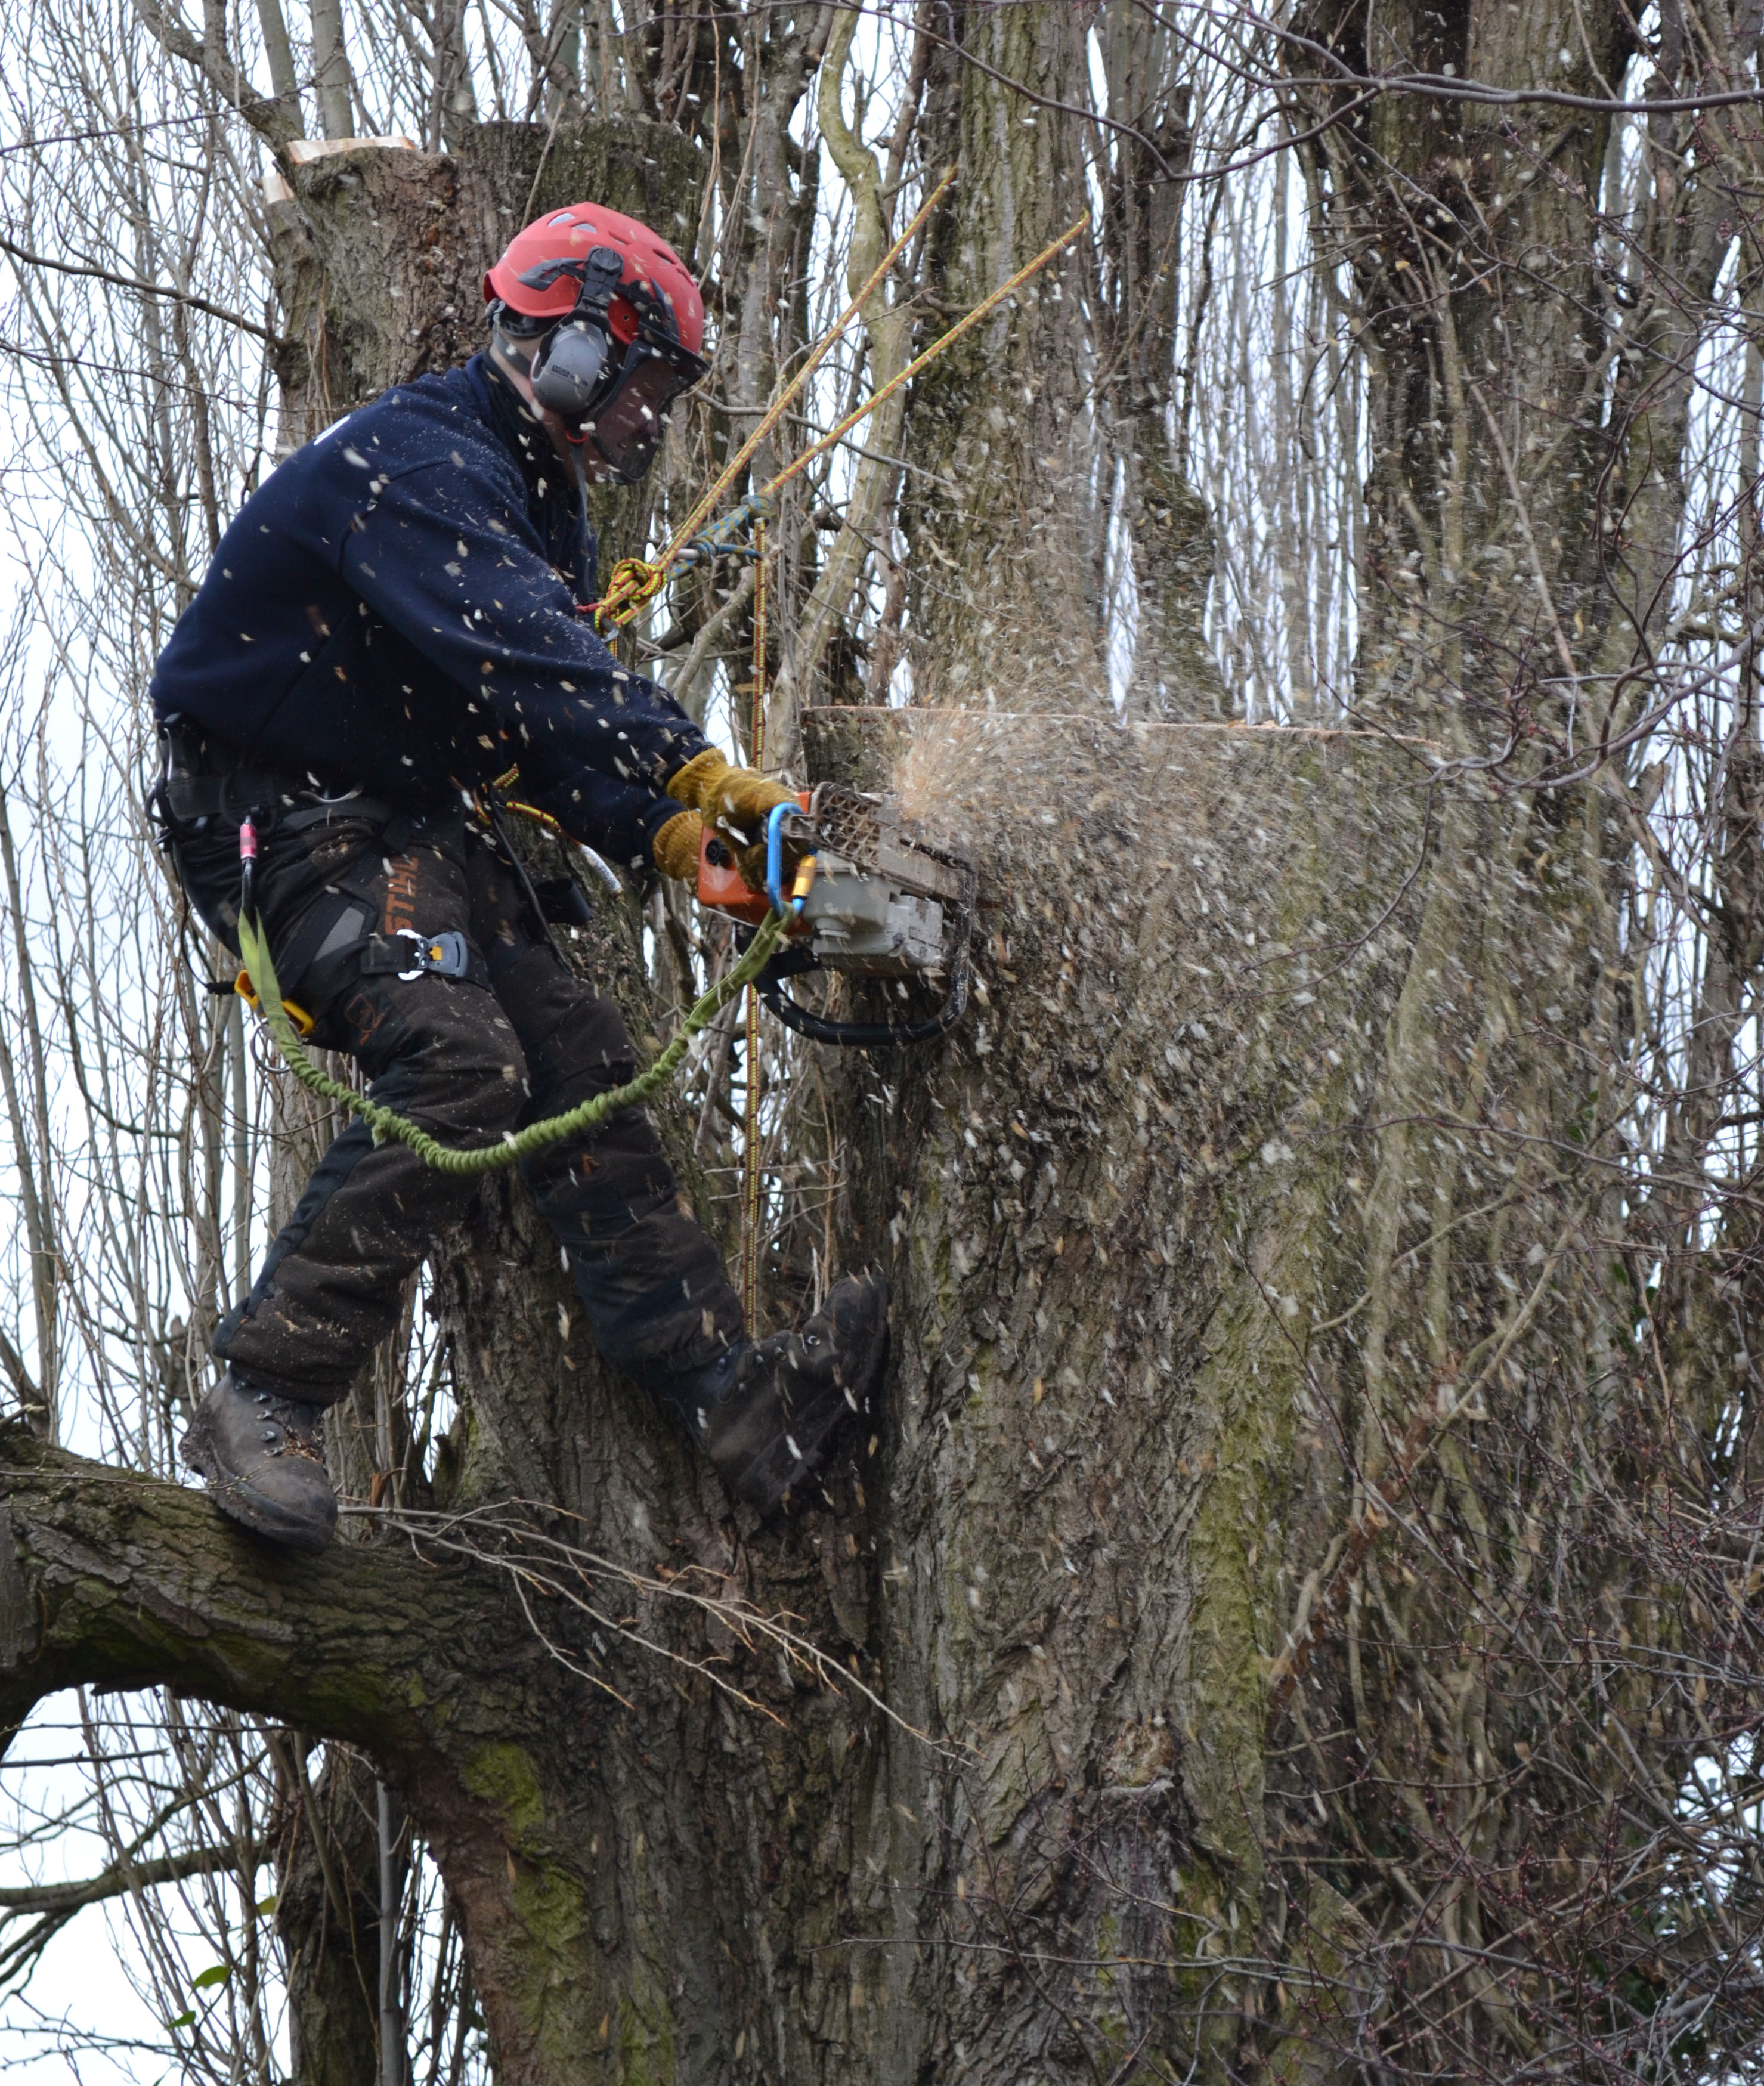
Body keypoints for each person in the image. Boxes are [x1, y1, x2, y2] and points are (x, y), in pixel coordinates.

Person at [148, 199, 887, 1556]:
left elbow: (531, 736)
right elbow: (538, 660)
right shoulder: (419, 461)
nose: (649, 417)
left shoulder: (540, 503)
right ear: (573, 345)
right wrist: (703, 776)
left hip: (409, 818)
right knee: (460, 1063)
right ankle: (265, 1394)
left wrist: (674, 839)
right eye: (643, 382)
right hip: (280, 822)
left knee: (581, 1065)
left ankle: (728, 1401)